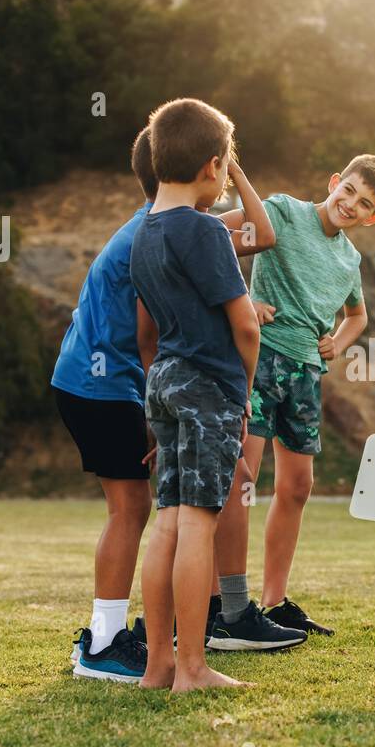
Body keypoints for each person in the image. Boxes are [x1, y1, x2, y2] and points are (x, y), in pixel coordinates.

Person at [130, 97, 295, 693]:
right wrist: (245, 390)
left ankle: (157, 665)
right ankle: (193, 668)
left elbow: (148, 328)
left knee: (168, 523)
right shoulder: (202, 231)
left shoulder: (145, 232)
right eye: (226, 166)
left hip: (166, 384)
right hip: (208, 387)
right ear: (212, 165)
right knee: (199, 523)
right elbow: (246, 324)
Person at [213, 154, 375, 636]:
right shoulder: (282, 212)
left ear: (373, 217)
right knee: (243, 481)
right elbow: (209, 240)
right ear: (335, 182)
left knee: (296, 487)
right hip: (258, 360)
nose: (351, 205)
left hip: (305, 374)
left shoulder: (350, 260)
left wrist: (338, 341)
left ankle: (274, 603)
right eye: (349, 191)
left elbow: (358, 315)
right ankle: (226, 606)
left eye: (365, 204)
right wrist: (244, 303)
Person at [53, 126, 157, 683]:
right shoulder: (150, 237)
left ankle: (107, 632)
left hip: (91, 382)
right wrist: (157, 419)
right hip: (102, 386)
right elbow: (149, 340)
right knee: (130, 510)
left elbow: (248, 233)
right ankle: (102, 642)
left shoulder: (156, 222)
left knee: (132, 509)